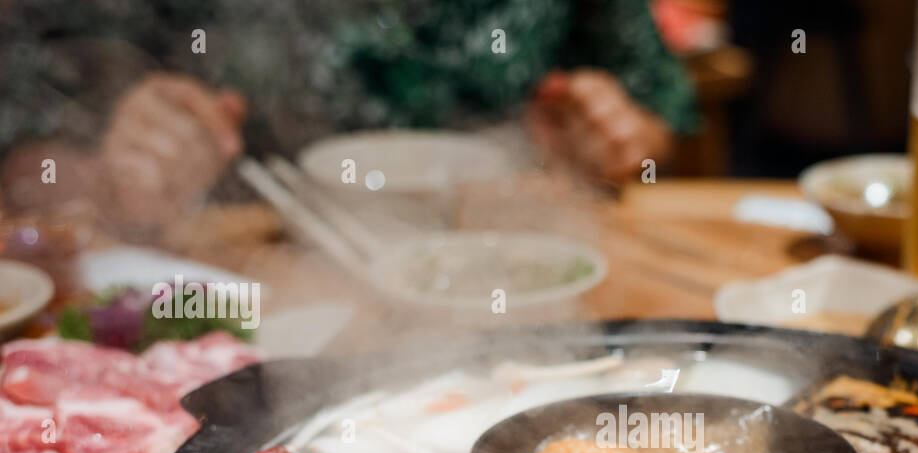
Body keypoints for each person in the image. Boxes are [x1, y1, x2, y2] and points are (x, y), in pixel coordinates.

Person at [0, 0, 698, 229]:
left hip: (508, 252)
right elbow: (33, 136)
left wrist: (609, 138)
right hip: (250, 283)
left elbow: (655, 113)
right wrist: (109, 166)